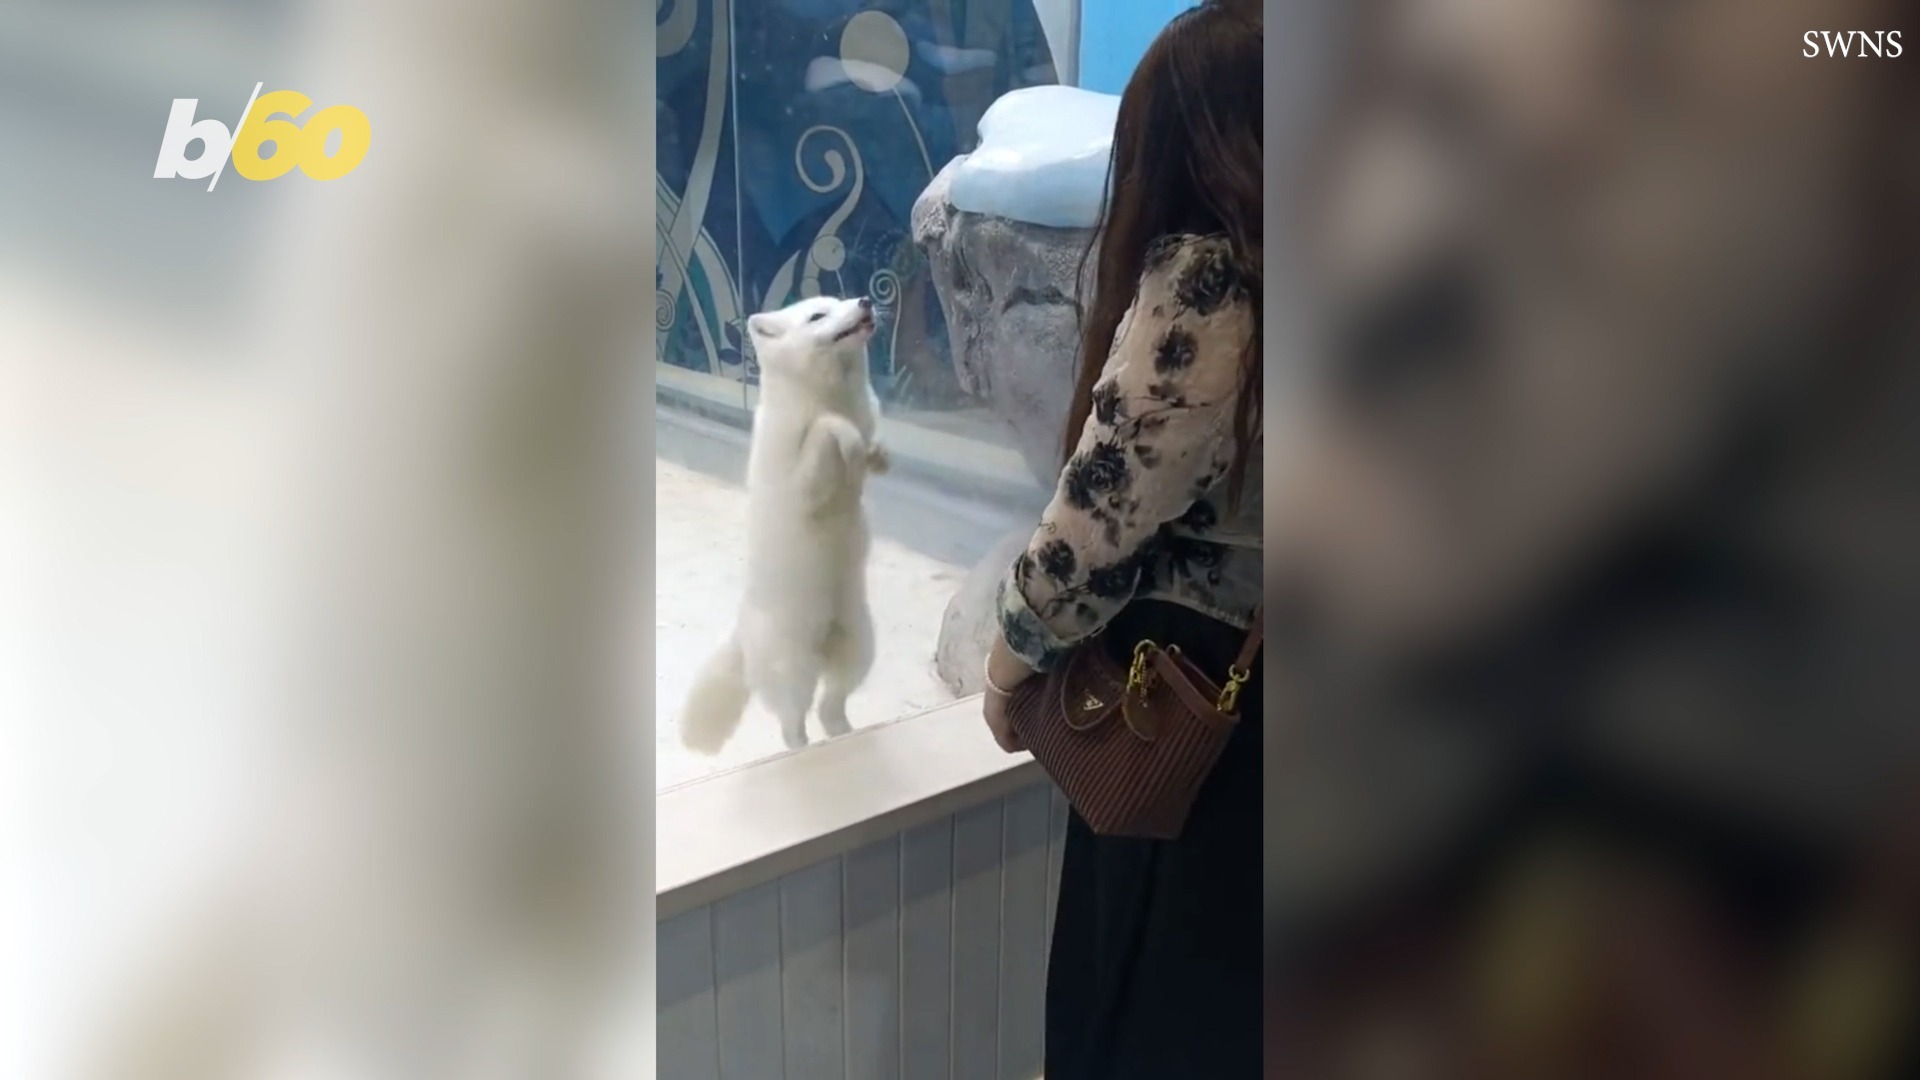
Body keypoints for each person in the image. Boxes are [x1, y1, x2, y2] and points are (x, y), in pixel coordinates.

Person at [979, 4, 1264, 1075]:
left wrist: (1010, 670)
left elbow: (1096, 523)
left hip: (1197, 711)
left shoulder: (1211, 285)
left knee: (1149, 1016)